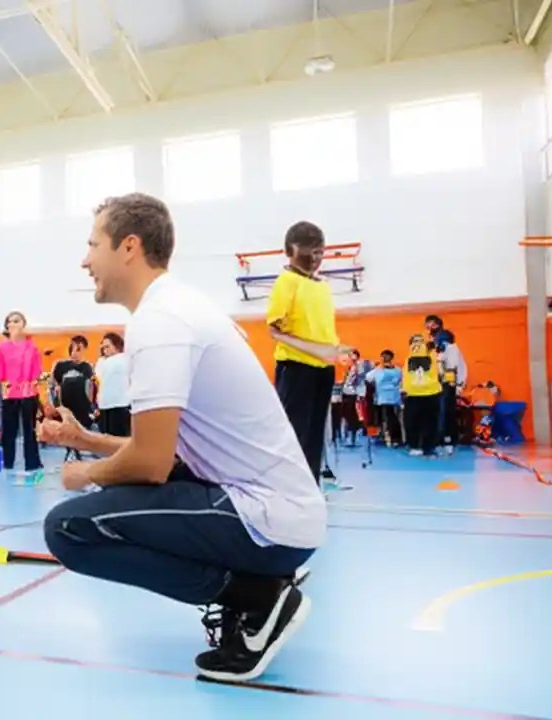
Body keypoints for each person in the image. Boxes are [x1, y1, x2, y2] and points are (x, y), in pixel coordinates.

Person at [39, 193, 324, 683]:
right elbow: (165, 454)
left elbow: (150, 463)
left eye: (92, 245)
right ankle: (257, 589)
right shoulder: (179, 307)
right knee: (117, 496)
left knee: (68, 529)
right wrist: (87, 439)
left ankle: (258, 598)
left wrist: (84, 472)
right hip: (278, 516)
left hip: (265, 519)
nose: (85, 260)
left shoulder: (160, 321)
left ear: (128, 247)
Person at [265, 222, 349, 485]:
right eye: (309, 252)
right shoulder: (286, 282)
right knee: (295, 435)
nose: (315, 259)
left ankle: (309, 488)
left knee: (315, 436)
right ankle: (287, 489)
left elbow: (320, 329)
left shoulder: (322, 285)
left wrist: (334, 349)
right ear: (290, 250)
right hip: (296, 368)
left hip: (323, 369)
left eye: (320, 253)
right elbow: (275, 330)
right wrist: (318, 349)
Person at [0, 311, 43, 479]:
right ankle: (8, 461)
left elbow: (36, 371)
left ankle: (32, 462)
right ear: (6, 326)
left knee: (30, 429)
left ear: (23, 324)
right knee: (9, 430)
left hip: (29, 392)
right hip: (9, 393)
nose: (13, 324)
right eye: (10, 321)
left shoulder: (32, 347)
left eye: (17, 321)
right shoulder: (0, 348)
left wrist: (33, 383)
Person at [52, 335, 95, 460]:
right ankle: (71, 451)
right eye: (73, 347)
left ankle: (78, 452)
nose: (75, 351)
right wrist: (56, 403)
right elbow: (55, 384)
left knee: (81, 428)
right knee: (67, 427)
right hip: (66, 403)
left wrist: (91, 404)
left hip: (82, 403)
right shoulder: (61, 365)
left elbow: (91, 386)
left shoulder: (87, 367)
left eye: (79, 348)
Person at [402, 333, 442, 457]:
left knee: (430, 422)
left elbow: (439, 371)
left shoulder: (433, 355)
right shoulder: (408, 359)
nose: (418, 344)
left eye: (420, 341)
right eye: (415, 341)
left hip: (431, 393)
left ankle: (428, 447)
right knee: (412, 422)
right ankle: (415, 446)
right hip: (413, 394)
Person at [94, 332, 131, 438]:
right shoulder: (102, 362)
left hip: (120, 405)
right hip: (105, 405)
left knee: (119, 439)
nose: (105, 350)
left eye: (108, 346)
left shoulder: (125, 359)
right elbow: (99, 381)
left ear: (117, 345)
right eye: (104, 347)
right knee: (106, 438)